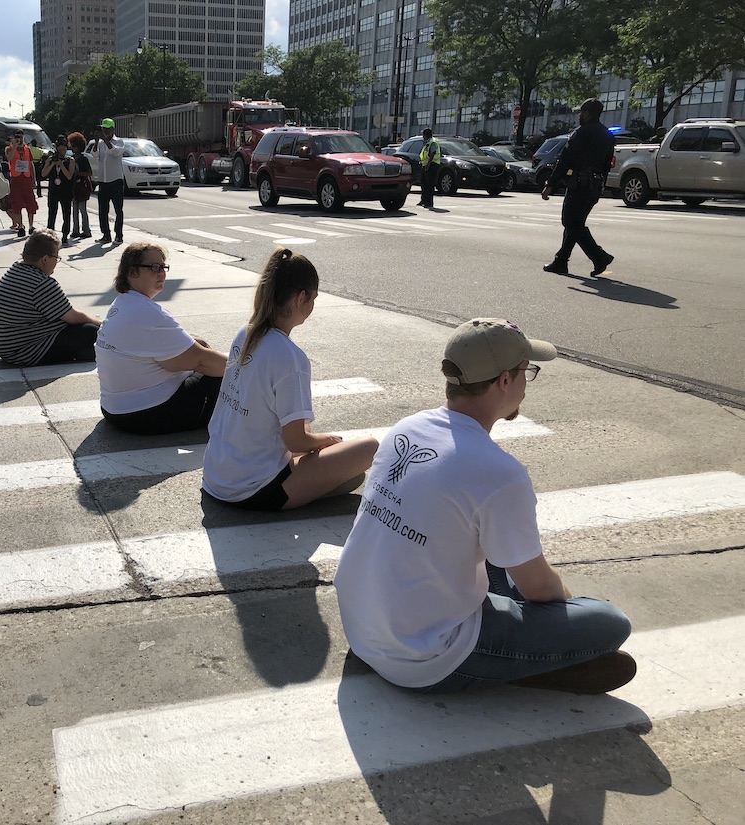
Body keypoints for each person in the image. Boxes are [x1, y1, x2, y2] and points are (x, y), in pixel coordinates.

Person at [335, 318, 636, 695]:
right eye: (526, 371)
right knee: (610, 622)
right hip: (422, 656)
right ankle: (528, 661)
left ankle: (522, 651)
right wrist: (563, 616)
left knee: (491, 543)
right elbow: (541, 588)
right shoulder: (500, 473)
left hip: (363, 627)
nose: (527, 384)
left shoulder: (406, 428)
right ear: (504, 381)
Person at [201, 248, 379, 511]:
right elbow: (296, 441)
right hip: (252, 489)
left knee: (349, 472)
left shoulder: (246, 333)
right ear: (301, 298)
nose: (312, 306)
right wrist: (325, 440)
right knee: (369, 449)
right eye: (313, 299)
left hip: (216, 476)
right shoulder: (290, 356)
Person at [96, 243, 227, 434]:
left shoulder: (123, 303)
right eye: (154, 267)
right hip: (145, 414)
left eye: (163, 267)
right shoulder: (148, 314)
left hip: (114, 410)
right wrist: (247, 368)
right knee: (225, 378)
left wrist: (195, 346)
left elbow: (178, 352)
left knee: (202, 354)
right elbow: (202, 361)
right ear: (132, 272)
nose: (162, 273)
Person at [0, 227, 101, 366]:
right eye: (56, 258)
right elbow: (73, 317)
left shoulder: (13, 272)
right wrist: (102, 324)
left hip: (3, 347)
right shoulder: (41, 283)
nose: (56, 263)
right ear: (45, 259)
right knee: (90, 331)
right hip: (25, 351)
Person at [542, 98, 616, 278]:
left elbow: (565, 159)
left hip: (579, 184)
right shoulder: (608, 135)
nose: (579, 115)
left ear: (588, 113)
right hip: (595, 185)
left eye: (582, 112)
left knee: (570, 222)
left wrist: (550, 184)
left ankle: (599, 256)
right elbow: (608, 164)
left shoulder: (581, 133)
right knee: (576, 224)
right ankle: (561, 261)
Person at [90, 117, 125, 244]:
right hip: (103, 180)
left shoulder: (119, 141)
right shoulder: (100, 143)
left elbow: (115, 152)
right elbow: (94, 154)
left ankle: (119, 235)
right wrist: (96, 141)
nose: (105, 131)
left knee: (118, 209)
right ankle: (106, 234)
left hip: (115, 180)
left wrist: (105, 140)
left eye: (108, 129)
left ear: (113, 129)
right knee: (103, 210)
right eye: (103, 129)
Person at [41, 136, 75, 244]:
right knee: (52, 213)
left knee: (66, 214)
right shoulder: (50, 159)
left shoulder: (70, 160)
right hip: (54, 190)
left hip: (66, 191)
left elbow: (69, 176)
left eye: (64, 150)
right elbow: (43, 174)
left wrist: (61, 165)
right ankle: (49, 234)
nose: (62, 152)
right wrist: (52, 164)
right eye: (60, 150)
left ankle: (65, 234)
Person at [5, 129, 37, 237]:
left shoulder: (27, 149)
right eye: (17, 136)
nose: (19, 139)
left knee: (31, 203)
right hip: (16, 179)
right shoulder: (9, 148)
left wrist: (34, 178)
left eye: (21, 136)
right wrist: (14, 146)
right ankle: (21, 226)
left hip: (26, 179)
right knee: (17, 204)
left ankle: (31, 226)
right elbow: (9, 158)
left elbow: (31, 164)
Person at [68, 131, 92, 240]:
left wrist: (78, 173)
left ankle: (86, 230)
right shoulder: (71, 158)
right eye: (71, 145)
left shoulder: (84, 159)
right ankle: (75, 230)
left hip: (82, 185)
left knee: (82, 209)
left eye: (74, 146)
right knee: (74, 210)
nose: (72, 148)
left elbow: (89, 173)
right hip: (74, 186)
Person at [417, 128, 441, 209]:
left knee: (429, 184)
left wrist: (428, 165)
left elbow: (433, 153)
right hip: (426, 165)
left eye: (423, 134)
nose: (422, 136)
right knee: (423, 183)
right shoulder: (427, 142)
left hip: (432, 165)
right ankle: (423, 200)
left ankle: (429, 202)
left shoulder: (432, 142)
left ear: (426, 135)